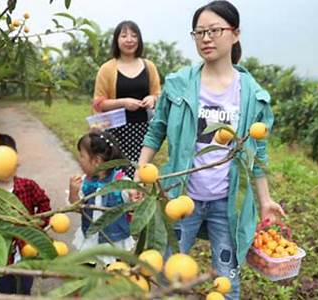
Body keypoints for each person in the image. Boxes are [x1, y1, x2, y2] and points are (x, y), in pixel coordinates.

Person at [135, 2, 285, 299]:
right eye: (199, 32)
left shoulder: (252, 95)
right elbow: (157, 130)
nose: (206, 38)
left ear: (235, 34)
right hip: (180, 198)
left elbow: (258, 153)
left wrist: (265, 200)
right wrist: (142, 173)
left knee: (227, 281)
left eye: (214, 30)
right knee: (166, 275)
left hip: (226, 205)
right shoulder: (178, 85)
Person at [0, 133, 52, 295]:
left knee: (24, 290)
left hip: (26, 254)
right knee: (2, 290)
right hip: (2, 258)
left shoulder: (28, 186)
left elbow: (44, 204)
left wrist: (38, 226)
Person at [92, 20, 161, 178]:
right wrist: (123, 103)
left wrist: (152, 99)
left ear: (139, 40)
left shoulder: (149, 66)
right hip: (115, 131)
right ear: (117, 40)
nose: (129, 40)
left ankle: (137, 200)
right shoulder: (107, 68)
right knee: (115, 172)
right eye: (124, 36)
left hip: (143, 130)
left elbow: (158, 94)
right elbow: (98, 103)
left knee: (140, 172)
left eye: (134, 36)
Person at [69, 130, 135, 265]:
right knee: (85, 270)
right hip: (90, 236)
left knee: (116, 271)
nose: (79, 159)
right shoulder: (85, 182)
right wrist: (73, 192)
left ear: (97, 161)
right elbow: (77, 207)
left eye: (82, 156)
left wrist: (135, 197)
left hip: (114, 240)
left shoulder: (121, 182)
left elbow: (134, 201)